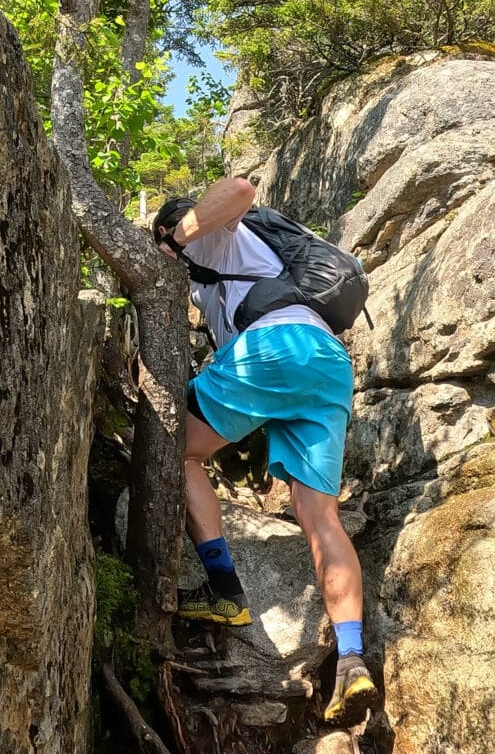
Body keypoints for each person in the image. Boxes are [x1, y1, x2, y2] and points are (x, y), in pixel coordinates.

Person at [152, 176, 377, 724]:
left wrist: (176, 238)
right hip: (326, 361)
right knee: (319, 515)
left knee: (177, 449)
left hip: (276, 348)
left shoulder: (215, 234)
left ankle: (224, 589)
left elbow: (238, 189)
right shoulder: (215, 283)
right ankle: (352, 660)